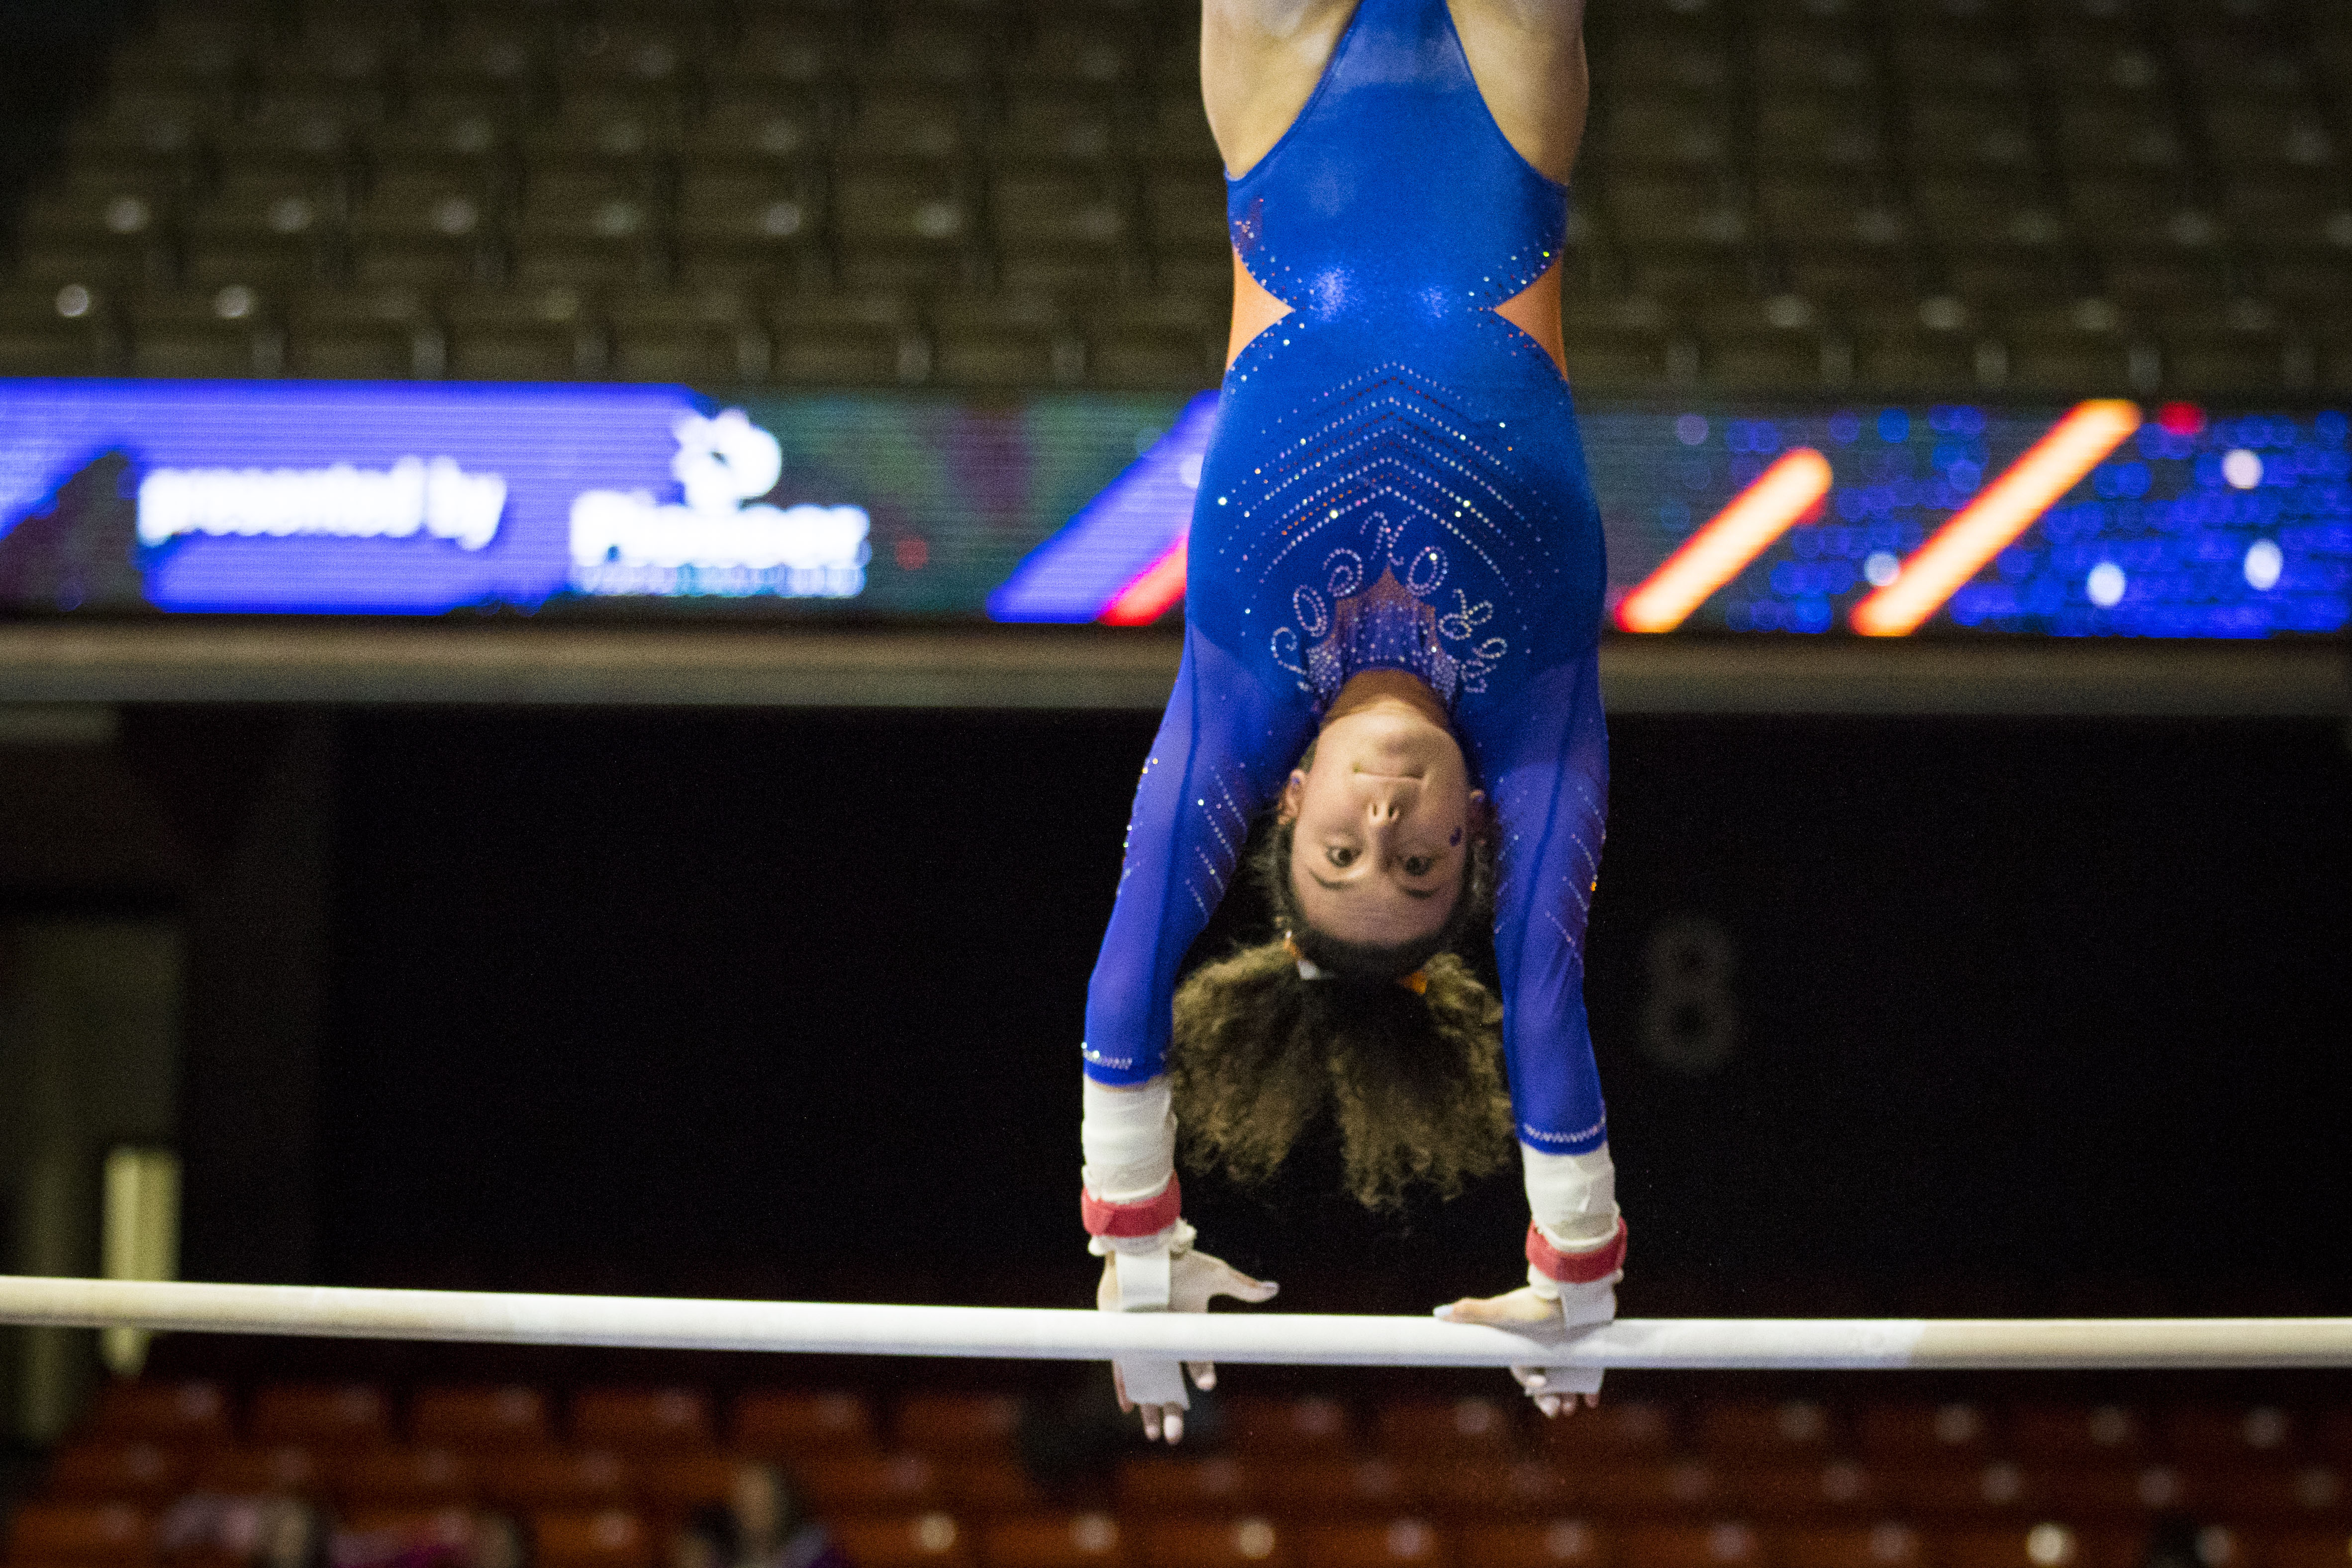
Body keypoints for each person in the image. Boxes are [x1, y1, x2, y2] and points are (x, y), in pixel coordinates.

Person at [1079, 0, 1624, 1443]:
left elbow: (1136, 949)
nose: (1382, 829)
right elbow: (1548, 989)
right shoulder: (1537, 727)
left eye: (1339, 860)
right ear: (1475, 835)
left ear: (1286, 799)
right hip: (1504, 117)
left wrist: (1134, 1248)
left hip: (1284, 105)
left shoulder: (1239, 701)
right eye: (1419, 868)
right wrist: (1575, 1265)